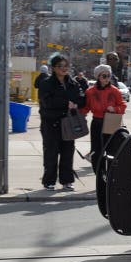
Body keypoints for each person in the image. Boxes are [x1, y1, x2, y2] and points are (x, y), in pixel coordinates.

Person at [38, 54, 86, 191]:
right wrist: (67, 103)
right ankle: (49, 181)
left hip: (69, 123)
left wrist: (76, 104)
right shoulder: (46, 83)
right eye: (60, 66)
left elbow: (82, 99)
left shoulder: (73, 83)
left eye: (66, 66)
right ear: (53, 68)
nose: (64, 69)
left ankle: (67, 180)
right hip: (51, 123)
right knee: (51, 153)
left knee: (67, 152)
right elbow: (46, 102)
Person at [82, 64, 126, 171]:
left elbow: (123, 106)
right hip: (97, 123)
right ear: (98, 77)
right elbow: (85, 108)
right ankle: (99, 175)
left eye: (108, 75)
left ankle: (111, 176)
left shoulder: (115, 91)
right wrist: (75, 113)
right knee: (96, 151)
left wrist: (115, 109)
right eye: (104, 76)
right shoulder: (90, 92)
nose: (107, 78)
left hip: (111, 123)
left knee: (112, 150)